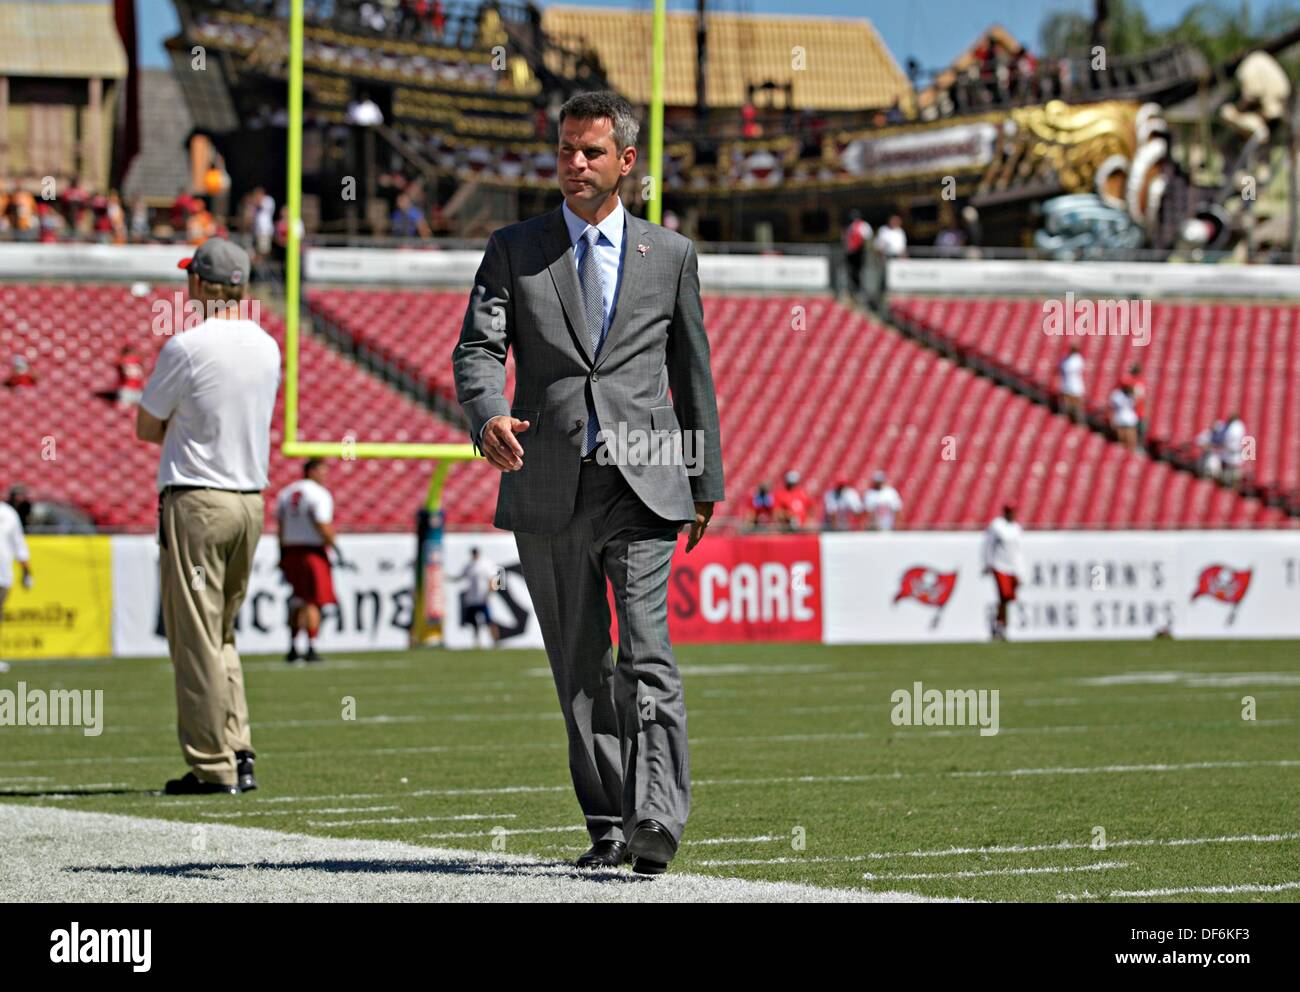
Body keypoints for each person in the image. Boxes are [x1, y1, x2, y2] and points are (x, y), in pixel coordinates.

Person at [452, 90, 724, 876]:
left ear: (626, 161)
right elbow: (478, 347)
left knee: (646, 651)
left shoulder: (670, 254)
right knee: (580, 667)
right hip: (547, 480)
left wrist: (704, 478)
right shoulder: (514, 247)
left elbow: (692, 370)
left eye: (592, 151)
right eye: (566, 150)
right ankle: (609, 822)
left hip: (645, 484)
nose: (575, 164)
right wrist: (487, 415)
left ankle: (657, 814)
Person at [136, 237, 281, 796]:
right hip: (249, 500)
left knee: (195, 638)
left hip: (199, 499)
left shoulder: (187, 346)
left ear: (198, 283)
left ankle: (212, 764)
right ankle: (238, 748)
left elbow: (146, 427)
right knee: (221, 634)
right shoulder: (266, 346)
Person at [276, 459, 340, 663]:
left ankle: (294, 646)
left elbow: (281, 527)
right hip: (312, 551)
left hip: (290, 550)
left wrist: (282, 554)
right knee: (313, 599)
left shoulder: (286, 493)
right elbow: (322, 523)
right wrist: (335, 546)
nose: (325, 475)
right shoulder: (319, 494)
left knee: (297, 599)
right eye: (322, 471)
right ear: (311, 471)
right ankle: (311, 646)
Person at [0, 492, 33, 674]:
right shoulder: (9, 513)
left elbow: (19, 546)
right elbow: (19, 546)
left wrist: (26, 571)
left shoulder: (9, 513)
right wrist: (27, 572)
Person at [982, 503, 1024, 642]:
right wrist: (987, 563)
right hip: (999, 566)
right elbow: (988, 545)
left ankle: (1000, 625)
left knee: (1007, 599)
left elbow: (1018, 552)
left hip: (1012, 568)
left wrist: (1020, 571)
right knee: (1004, 596)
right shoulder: (997, 526)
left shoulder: (1016, 528)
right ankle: (1000, 626)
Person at [454, 546, 503, 647]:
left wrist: (489, 593)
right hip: (472, 599)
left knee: (489, 621)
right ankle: (477, 642)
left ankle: (496, 641)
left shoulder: (485, 564)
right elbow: (460, 577)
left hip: (483, 598)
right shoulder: (469, 566)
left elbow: (492, 580)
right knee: (473, 622)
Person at [842, 210, 872, 294]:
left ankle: (862, 289)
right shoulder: (850, 226)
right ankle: (854, 289)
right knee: (852, 271)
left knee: (861, 271)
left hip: (861, 251)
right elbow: (847, 239)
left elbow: (868, 238)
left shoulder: (864, 225)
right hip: (851, 252)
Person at [1120, 361, 1148, 443]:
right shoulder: (1130, 381)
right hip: (1131, 413)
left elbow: (1138, 398)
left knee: (1138, 434)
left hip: (1137, 413)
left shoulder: (1138, 382)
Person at [1057, 346, 1085, 423]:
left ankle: (1078, 423)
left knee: (1076, 408)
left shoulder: (1078, 359)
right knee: (1065, 406)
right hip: (1066, 386)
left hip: (1075, 387)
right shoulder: (1065, 359)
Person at [1109, 382, 1139, 450]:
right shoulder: (1116, 395)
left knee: (1131, 440)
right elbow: (1111, 408)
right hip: (1119, 419)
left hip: (1130, 420)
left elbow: (1137, 402)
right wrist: (1112, 420)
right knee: (1121, 440)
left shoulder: (1132, 393)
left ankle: (1131, 452)